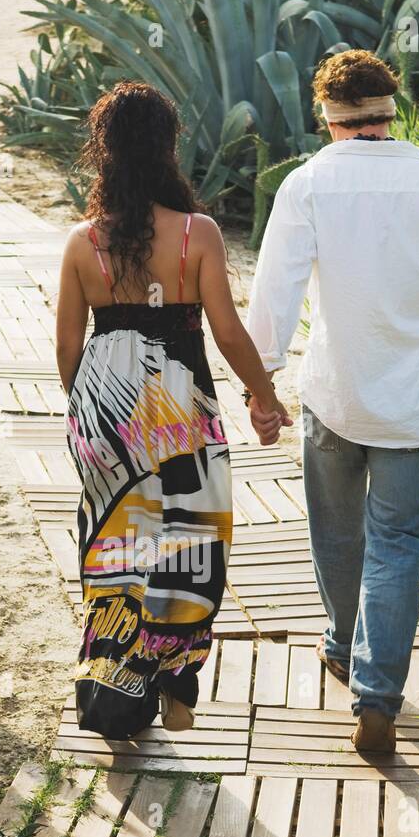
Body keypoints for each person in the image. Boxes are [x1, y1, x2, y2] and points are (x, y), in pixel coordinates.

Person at [247, 50, 419, 754]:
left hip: (333, 393)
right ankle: (376, 695)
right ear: (391, 108)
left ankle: (340, 648)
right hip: (413, 403)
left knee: (337, 534)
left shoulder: (307, 184)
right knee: (398, 545)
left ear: (327, 116)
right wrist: (409, 327)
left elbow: (272, 299)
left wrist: (262, 390)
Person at [56, 81, 290, 740]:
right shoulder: (196, 235)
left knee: (117, 554)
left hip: (103, 407)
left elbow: (67, 347)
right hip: (181, 404)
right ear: (167, 148)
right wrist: (263, 399)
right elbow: (228, 333)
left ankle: (111, 703)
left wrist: (91, 426)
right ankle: (176, 682)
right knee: (190, 542)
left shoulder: (82, 243)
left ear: (102, 153)